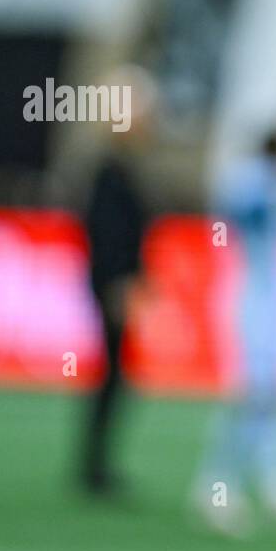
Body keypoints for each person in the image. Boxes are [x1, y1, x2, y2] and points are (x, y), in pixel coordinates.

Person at [193, 129, 276, 535]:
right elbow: (232, 208)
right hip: (248, 299)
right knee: (254, 393)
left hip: (271, 301)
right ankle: (219, 484)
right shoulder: (255, 180)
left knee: (271, 395)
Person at [80, 67, 156, 497]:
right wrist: (120, 282)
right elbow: (108, 232)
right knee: (111, 373)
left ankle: (97, 464)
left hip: (116, 283)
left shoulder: (117, 168)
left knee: (113, 373)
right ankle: (95, 468)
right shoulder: (111, 171)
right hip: (113, 285)